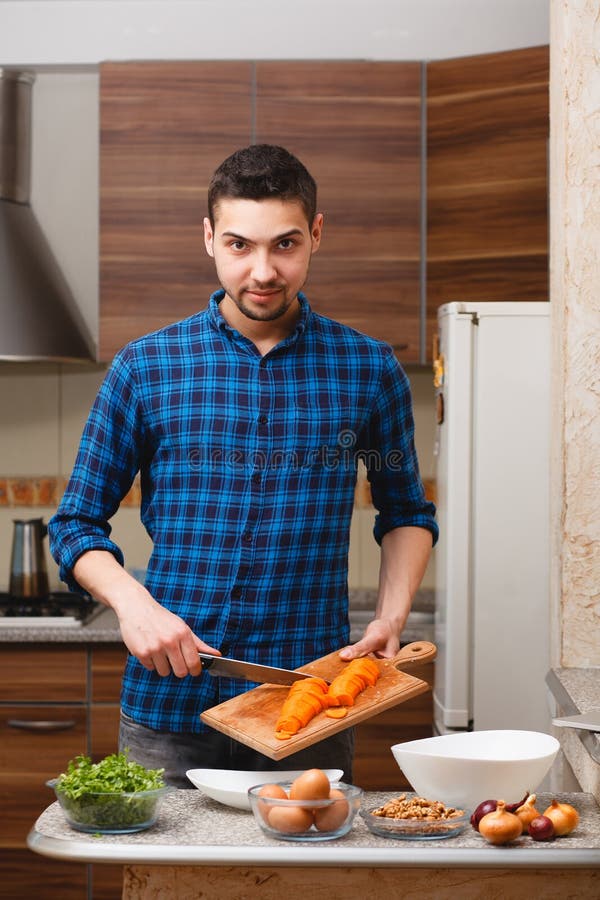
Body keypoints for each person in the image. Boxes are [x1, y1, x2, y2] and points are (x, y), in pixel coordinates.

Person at [49, 144, 437, 787]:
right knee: (163, 887)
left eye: (284, 244)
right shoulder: (145, 368)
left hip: (311, 703)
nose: (262, 271)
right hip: (168, 711)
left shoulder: (369, 370)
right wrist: (133, 606)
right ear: (208, 239)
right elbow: (75, 525)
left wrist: (391, 618)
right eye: (239, 245)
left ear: (316, 233)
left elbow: (407, 513)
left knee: (299, 884)